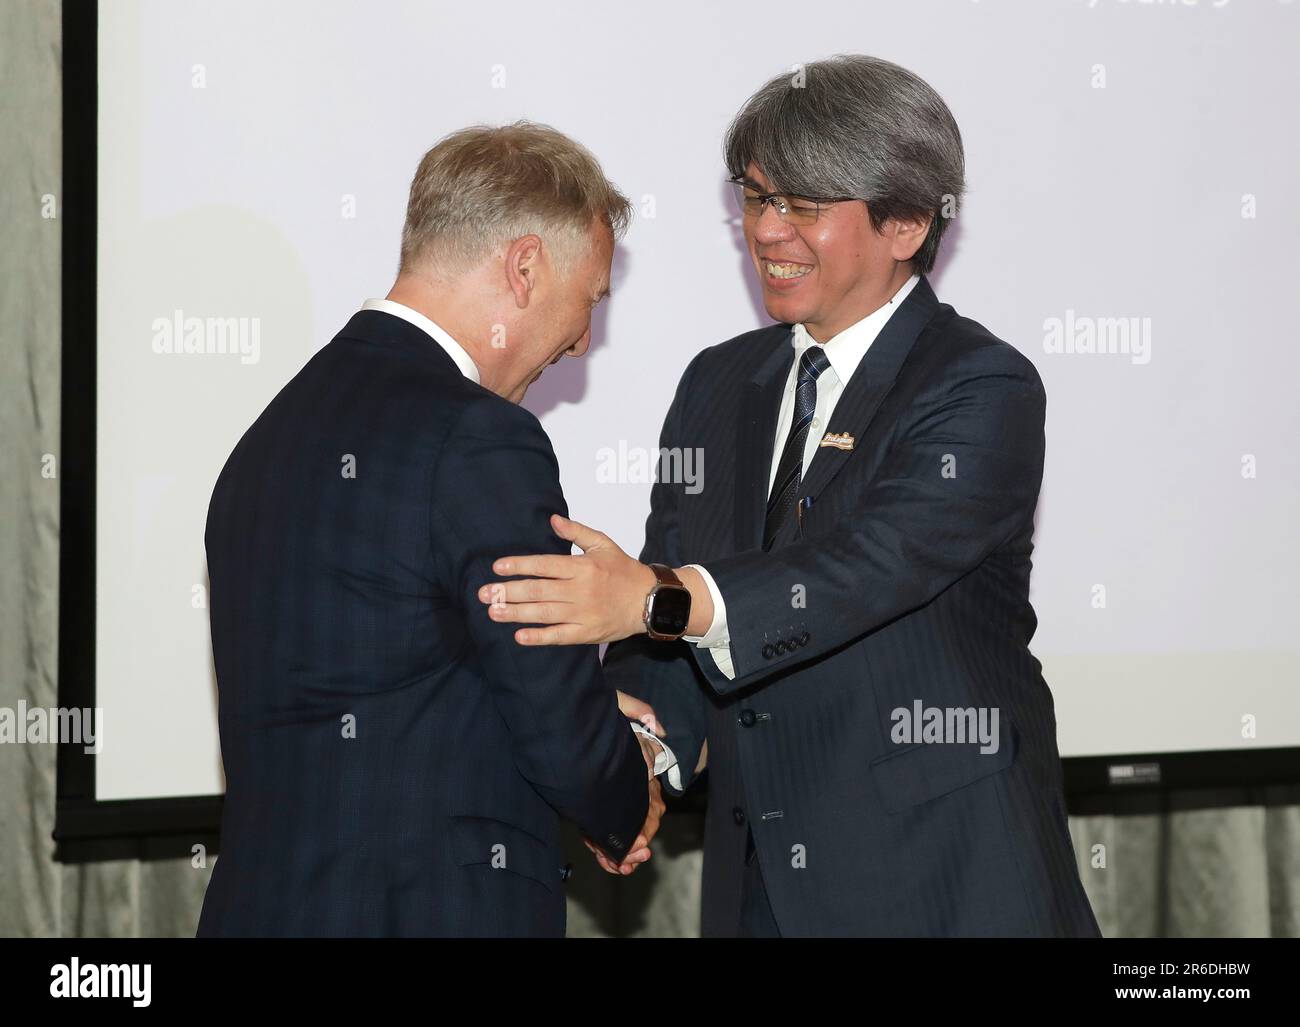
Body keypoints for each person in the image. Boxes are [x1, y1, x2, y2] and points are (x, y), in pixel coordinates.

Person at [477, 57, 1102, 938]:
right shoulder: (716, 383)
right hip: (759, 888)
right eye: (756, 197)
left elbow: (862, 569)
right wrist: (636, 755)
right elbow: (669, 626)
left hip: (946, 884)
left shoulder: (980, 386)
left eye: (803, 205)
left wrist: (656, 596)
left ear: (907, 221)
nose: (767, 231)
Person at [198, 122, 666, 938]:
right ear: (525, 267)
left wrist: (587, 706)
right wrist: (625, 779)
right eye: (589, 300)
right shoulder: (481, 437)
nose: (581, 341)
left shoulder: (265, 441)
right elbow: (550, 714)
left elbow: (410, 676)